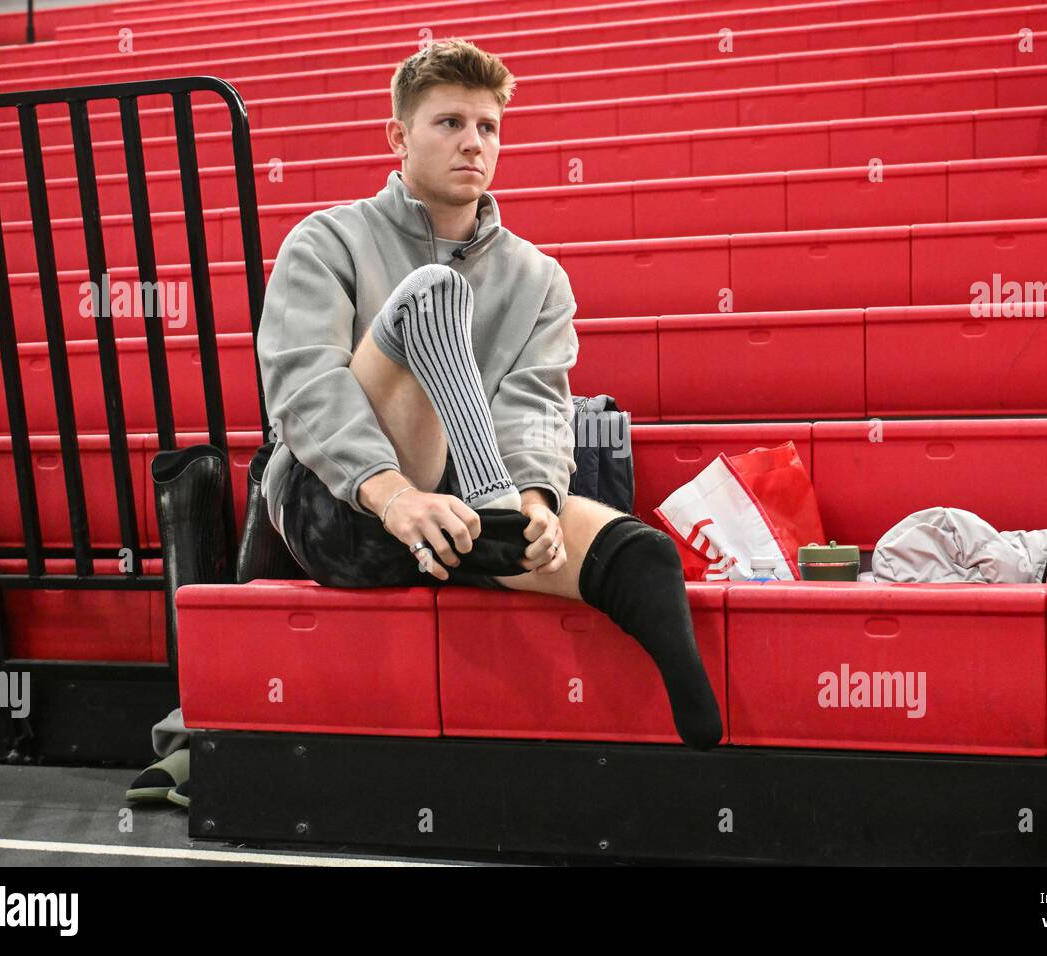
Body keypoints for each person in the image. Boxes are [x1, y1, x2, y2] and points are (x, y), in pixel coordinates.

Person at [254, 39, 722, 751]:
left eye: (488, 127)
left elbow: (534, 404)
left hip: (461, 519)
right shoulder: (326, 240)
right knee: (433, 294)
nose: (473, 142)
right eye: (449, 124)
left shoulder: (538, 277)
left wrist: (538, 504)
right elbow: (304, 386)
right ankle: (492, 505)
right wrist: (393, 495)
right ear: (398, 137)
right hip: (341, 507)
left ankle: (705, 761)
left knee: (639, 556)